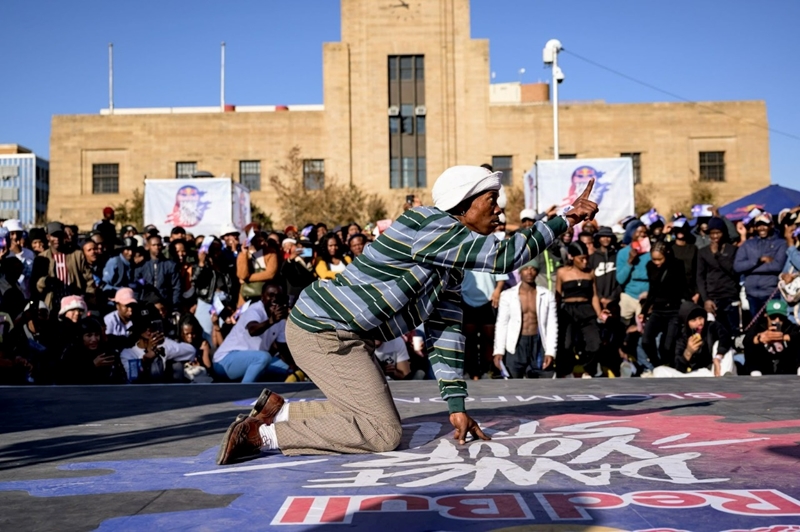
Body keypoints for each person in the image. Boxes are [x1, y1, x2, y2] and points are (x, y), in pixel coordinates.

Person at [215, 166, 598, 465]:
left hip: (339, 335)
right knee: (381, 433)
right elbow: (504, 256)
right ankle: (258, 437)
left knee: (367, 414)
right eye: (492, 199)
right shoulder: (427, 226)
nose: (499, 209)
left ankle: (279, 413)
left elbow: (446, 331)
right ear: (464, 204)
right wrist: (567, 218)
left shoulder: (449, 260)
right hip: (323, 332)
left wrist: (456, 407)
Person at [212, 281, 292, 383]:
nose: (275, 299)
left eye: (278, 296)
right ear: (262, 297)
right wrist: (271, 321)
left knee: (287, 370)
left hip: (254, 360)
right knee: (264, 357)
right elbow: (252, 330)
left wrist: (292, 366)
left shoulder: (280, 319)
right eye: (270, 295)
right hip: (224, 361)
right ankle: (245, 392)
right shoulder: (255, 310)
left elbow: (282, 348)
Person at [493, 262, 557, 379]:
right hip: (516, 344)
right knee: (513, 383)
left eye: (533, 269)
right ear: (520, 272)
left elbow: (552, 325)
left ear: (537, 272)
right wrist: (499, 351)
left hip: (538, 343)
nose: (529, 272)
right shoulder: (507, 295)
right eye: (526, 269)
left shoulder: (547, 295)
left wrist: (550, 352)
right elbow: (502, 324)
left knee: (545, 384)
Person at [555, 241, 605, 377]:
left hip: (586, 309)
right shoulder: (562, 272)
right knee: (566, 344)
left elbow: (594, 296)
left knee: (595, 343)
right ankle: (566, 371)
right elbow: (558, 296)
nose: (584, 262)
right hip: (568, 310)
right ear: (572, 257)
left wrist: (599, 313)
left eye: (586, 258)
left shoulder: (590, 273)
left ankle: (589, 370)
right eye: (581, 259)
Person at [652, 301, 735, 377]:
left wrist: (718, 357)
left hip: (716, 371)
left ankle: (725, 380)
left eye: (700, 318)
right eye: (694, 320)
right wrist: (688, 352)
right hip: (696, 375)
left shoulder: (711, 326)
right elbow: (679, 368)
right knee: (659, 370)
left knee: (721, 346)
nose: (699, 323)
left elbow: (725, 337)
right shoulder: (682, 338)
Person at [640, 241, 686, 369]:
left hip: (673, 310)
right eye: (654, 259)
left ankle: (670, 367)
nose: (657, 263)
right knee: (646, 341)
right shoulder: (650, 266)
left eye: (659, 259)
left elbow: (683, 287)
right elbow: (652, 290)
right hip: (657, 310)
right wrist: (643, 311)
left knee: (667, 345)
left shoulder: (677, 265)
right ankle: (657, 366)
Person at [120, 305, 196, 383]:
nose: (148, 329)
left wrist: (163, 348)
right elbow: (133, 378)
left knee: (177, 365)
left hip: (165, 390)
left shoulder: (164, 342)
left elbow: (191, 351)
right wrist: (144, 360)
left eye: (150, 325)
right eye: (143, 325)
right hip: (143, 392)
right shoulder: (128, 353)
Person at [32, 222, 96, 311]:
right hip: (51, 306)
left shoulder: (77, 255)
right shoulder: (41, 258)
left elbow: (89, 280)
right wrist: (46, 281)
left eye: (59, 235)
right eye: (54, 235)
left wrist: (89, 300)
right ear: (48, 237)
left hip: (74, 305)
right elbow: (35, 285)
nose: (57, 239)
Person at [734, 213, 786, 315]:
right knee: (756, 325)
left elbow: (777, 266)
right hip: (751, 293)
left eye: (765, 224)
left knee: (773, 323)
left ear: (771, 225)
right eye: (758, 225)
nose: (761, 228)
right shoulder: (748, 244)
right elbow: (737, 267)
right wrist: (757, 261)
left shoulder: (781, 243)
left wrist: (749, 268)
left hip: (771, 292)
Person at [697, 217, 741, 336]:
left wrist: (717, 254)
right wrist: (706, 299)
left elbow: (733, 270)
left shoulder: (732, 250)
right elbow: (700, 277)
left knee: (734, 332)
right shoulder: (703, 252)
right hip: (713, 298)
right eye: (712, 233)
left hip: (730, 296)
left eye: (718, 232)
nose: (715, 236)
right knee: (717, 333)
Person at [57, 316, 127, 385]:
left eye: (96, 335)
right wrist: (92, 366)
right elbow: (66, 379)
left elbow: (120, 378)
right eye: (89, 335)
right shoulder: (71, 353)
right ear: (81, 337)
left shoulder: (107, 352)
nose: (94, 339)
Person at [744, 299, 800, 376]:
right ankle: (755, 372)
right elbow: (746, 340)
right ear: (766, 315)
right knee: (751, 347)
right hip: (764, 365)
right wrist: (759, 338)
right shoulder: (758, 326)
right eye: (773, 317)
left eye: (781, 317)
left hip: (786, 367)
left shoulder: (789, 327)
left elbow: (797, 335)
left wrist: (785, 337)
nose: (777, 320)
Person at [616, 221, 651, 324]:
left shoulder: (651, 253)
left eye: (645, 232)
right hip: (629, 296)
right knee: (623, 327)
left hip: (646, 296)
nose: (642, 234)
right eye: (639, 232)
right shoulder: (623, 253)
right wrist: (629, 261)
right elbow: (620, 279)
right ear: (631, 233)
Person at [135, 234, 181, 310]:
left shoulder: (170, 265)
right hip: (146, 304)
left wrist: (175, 307)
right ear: (148, 246)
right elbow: (137, 288)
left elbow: (176, 287)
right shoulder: (141, 266)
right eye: (154, 245)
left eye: (159, 245)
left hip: (166, 305)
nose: (157, 247)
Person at [589, 226, 621, 310]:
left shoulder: (617, 257)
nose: (606, 239)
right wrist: (600, 297)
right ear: (598, 239)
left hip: (614, 300)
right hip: (596, 299)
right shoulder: (592, 258)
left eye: (608, 236)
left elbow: (621, 280)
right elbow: (589, 280)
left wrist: (612, 297)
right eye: (603, 236)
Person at [4, 219, 35, 299]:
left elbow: (30, 275)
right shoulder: (3, 254)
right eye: (12, 233)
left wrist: (19, 254)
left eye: (18, 233)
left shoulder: (29, 254)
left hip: (25, 296)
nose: (15, 237)